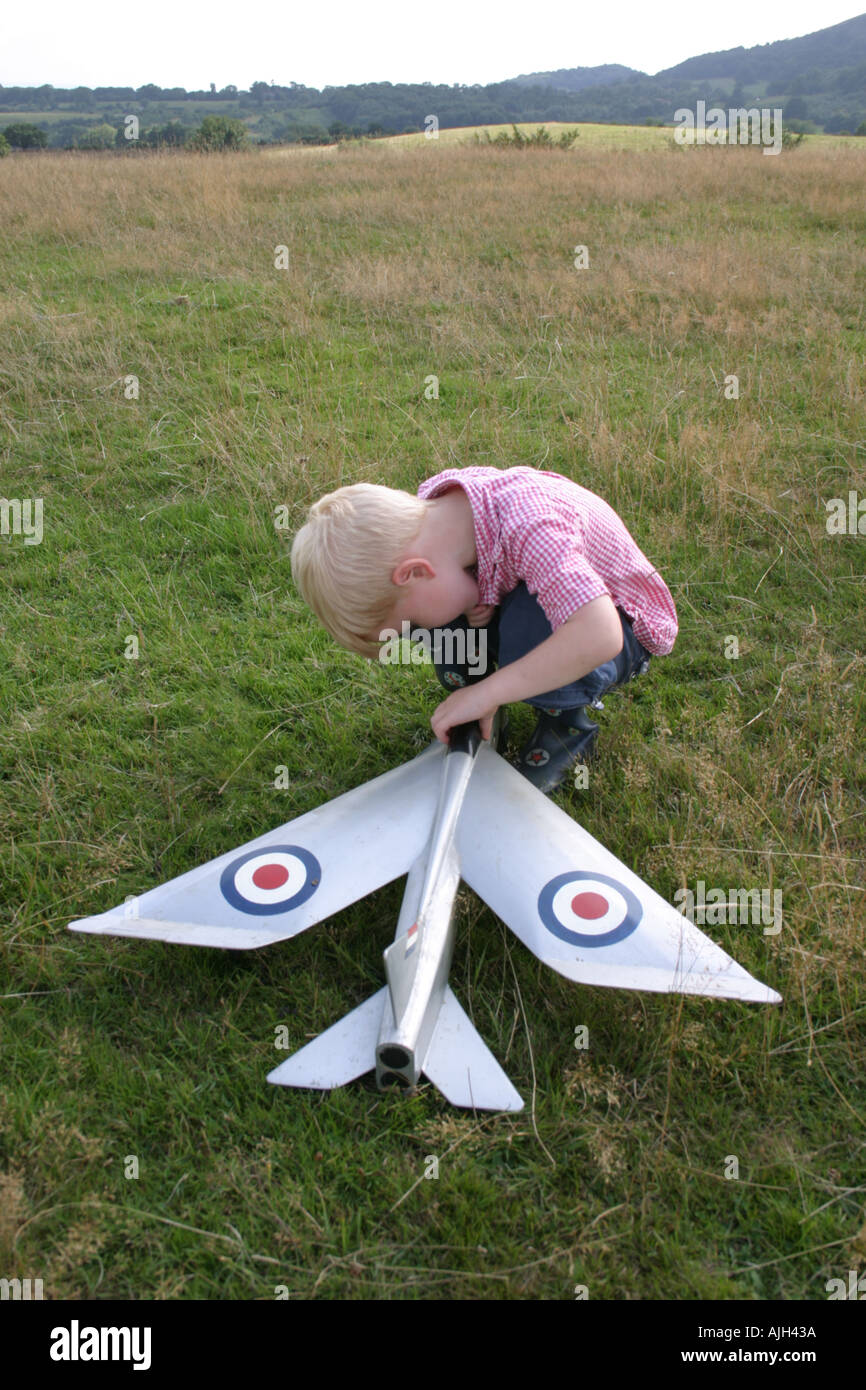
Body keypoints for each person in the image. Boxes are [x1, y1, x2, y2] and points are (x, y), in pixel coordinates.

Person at [290, 465, 677, 793]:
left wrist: (490, 690)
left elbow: (599, 633)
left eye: (414, 625)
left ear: (416, 572)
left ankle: (566, 728)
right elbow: (479, 566)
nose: (419, 634)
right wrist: (477, 589)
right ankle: (475, 707)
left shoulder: (533, 528)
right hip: (541, 600)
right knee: (451, 623)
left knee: (530, 625)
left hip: (618, 626)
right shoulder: (436, 518)